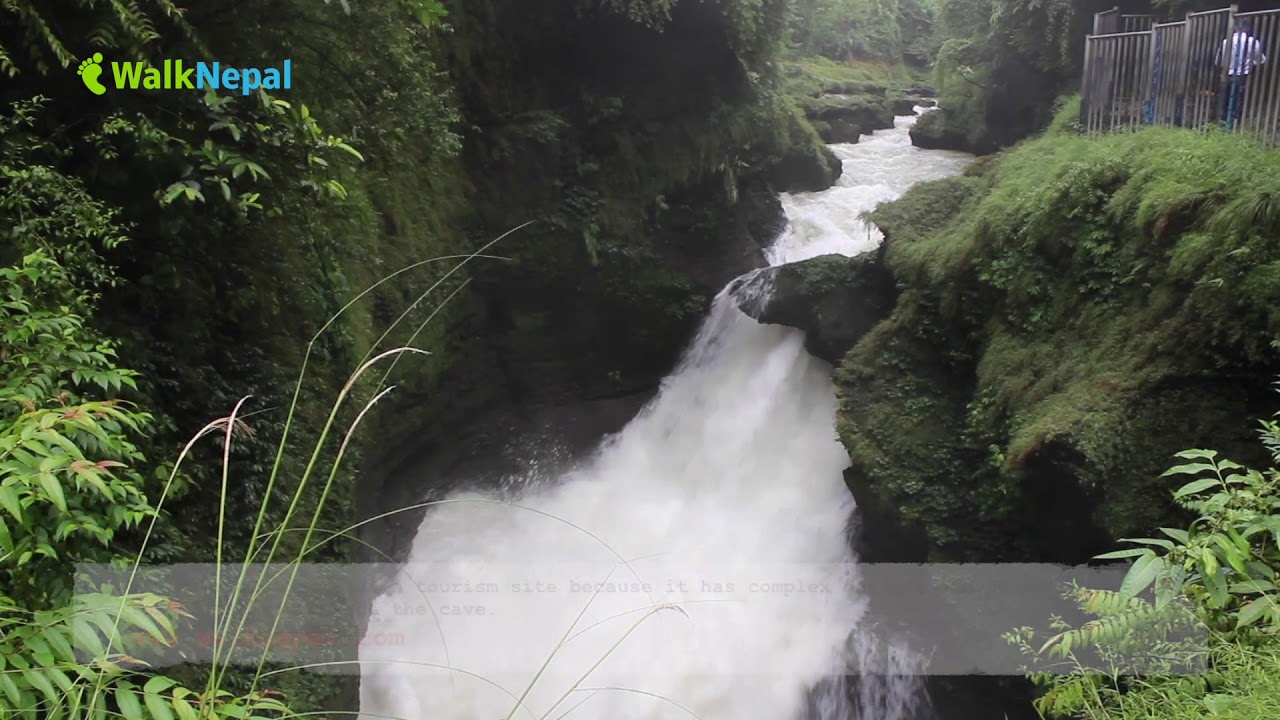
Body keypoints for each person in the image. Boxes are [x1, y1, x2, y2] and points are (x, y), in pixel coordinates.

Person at [1219, 18, 1268, 128]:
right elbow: (1261, 59)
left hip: (1227, 74)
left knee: (1225, 99)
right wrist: (1251, 62)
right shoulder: (1253, 42)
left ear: (1235, 27)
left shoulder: (1226, 41)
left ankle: (1222, 122)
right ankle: (1232, 124)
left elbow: (1221, 60)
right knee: (1238, 100)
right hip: (1242, 75)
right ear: (1248, 28)